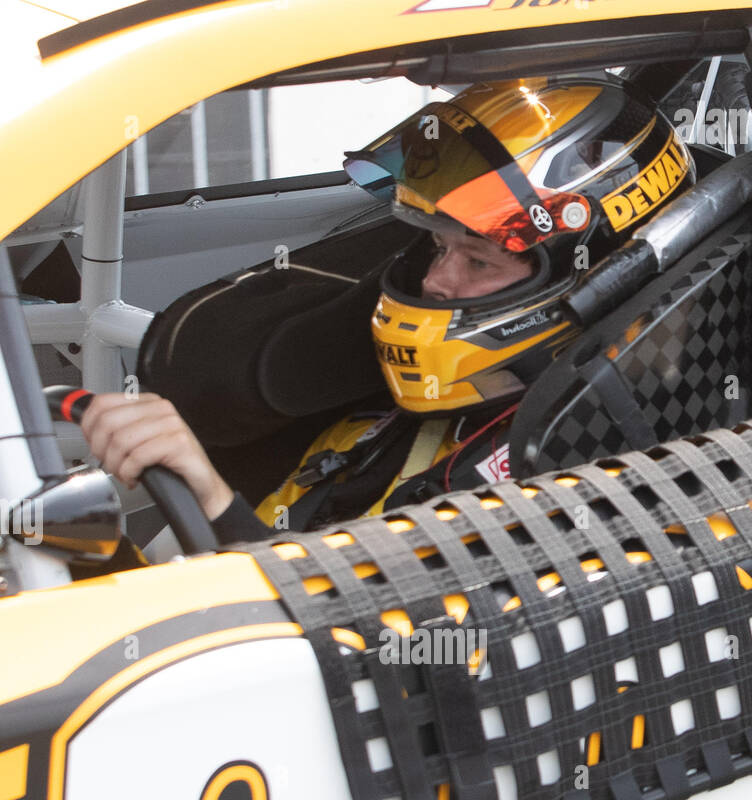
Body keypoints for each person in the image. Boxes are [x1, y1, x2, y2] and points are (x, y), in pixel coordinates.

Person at [80, 76, 695, 540]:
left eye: (479, 261)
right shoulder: (396, 410)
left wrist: (210, 500)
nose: (434, 281)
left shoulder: (574, 470)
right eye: (437, 247)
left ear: (595, 276)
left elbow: (368, 663)